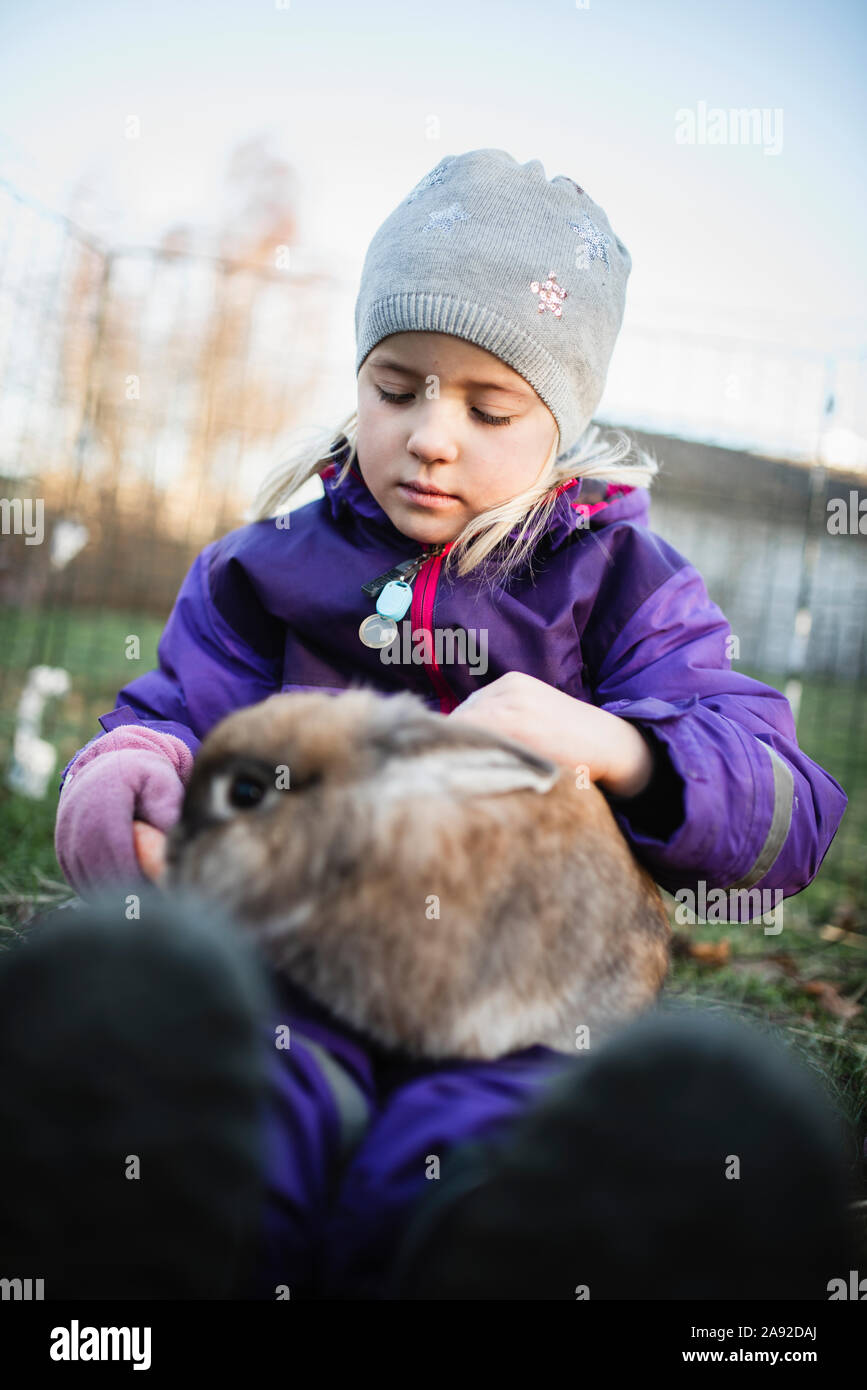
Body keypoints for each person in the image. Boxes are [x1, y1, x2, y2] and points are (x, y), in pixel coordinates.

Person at [48, 149, 850, 1299]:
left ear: (561, 420)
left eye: (489, 405)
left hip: (521, 983)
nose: (432, 434)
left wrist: (622, 746)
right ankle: (199, 1221)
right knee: (255, 1090)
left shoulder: (618, 578)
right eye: (397, 385)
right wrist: (135, 769)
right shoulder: (262, 571)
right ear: (358, 379)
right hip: (298, 955)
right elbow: (178, 712)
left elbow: (788, 807)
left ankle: (470, 1233)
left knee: (489, 1129)